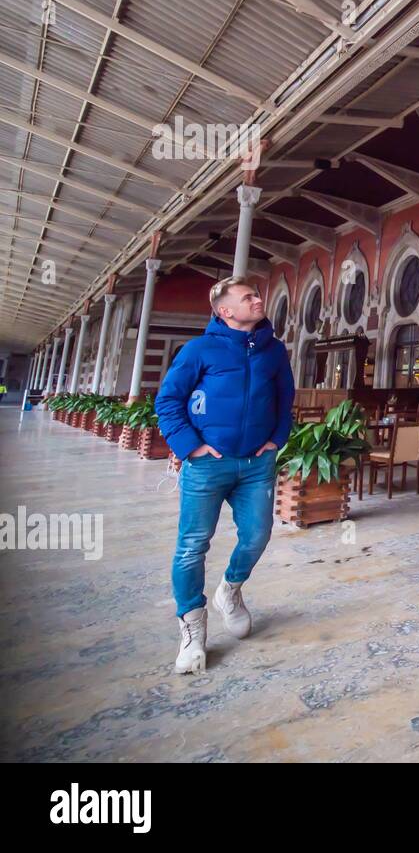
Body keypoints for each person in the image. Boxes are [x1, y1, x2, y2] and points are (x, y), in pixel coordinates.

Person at [156, 278, 295, 674]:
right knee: (192, 545)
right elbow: (168, 400)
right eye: (248, 297)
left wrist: (277, 438)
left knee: (257, 535)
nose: (257, 299)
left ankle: (229, 591)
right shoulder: (200, 350)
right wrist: (191, 446)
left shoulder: (274, 351)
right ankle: (192, 630)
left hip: (256, 465)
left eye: (256, 294)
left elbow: (286, 397)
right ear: (225, 311)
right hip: (207, 465)